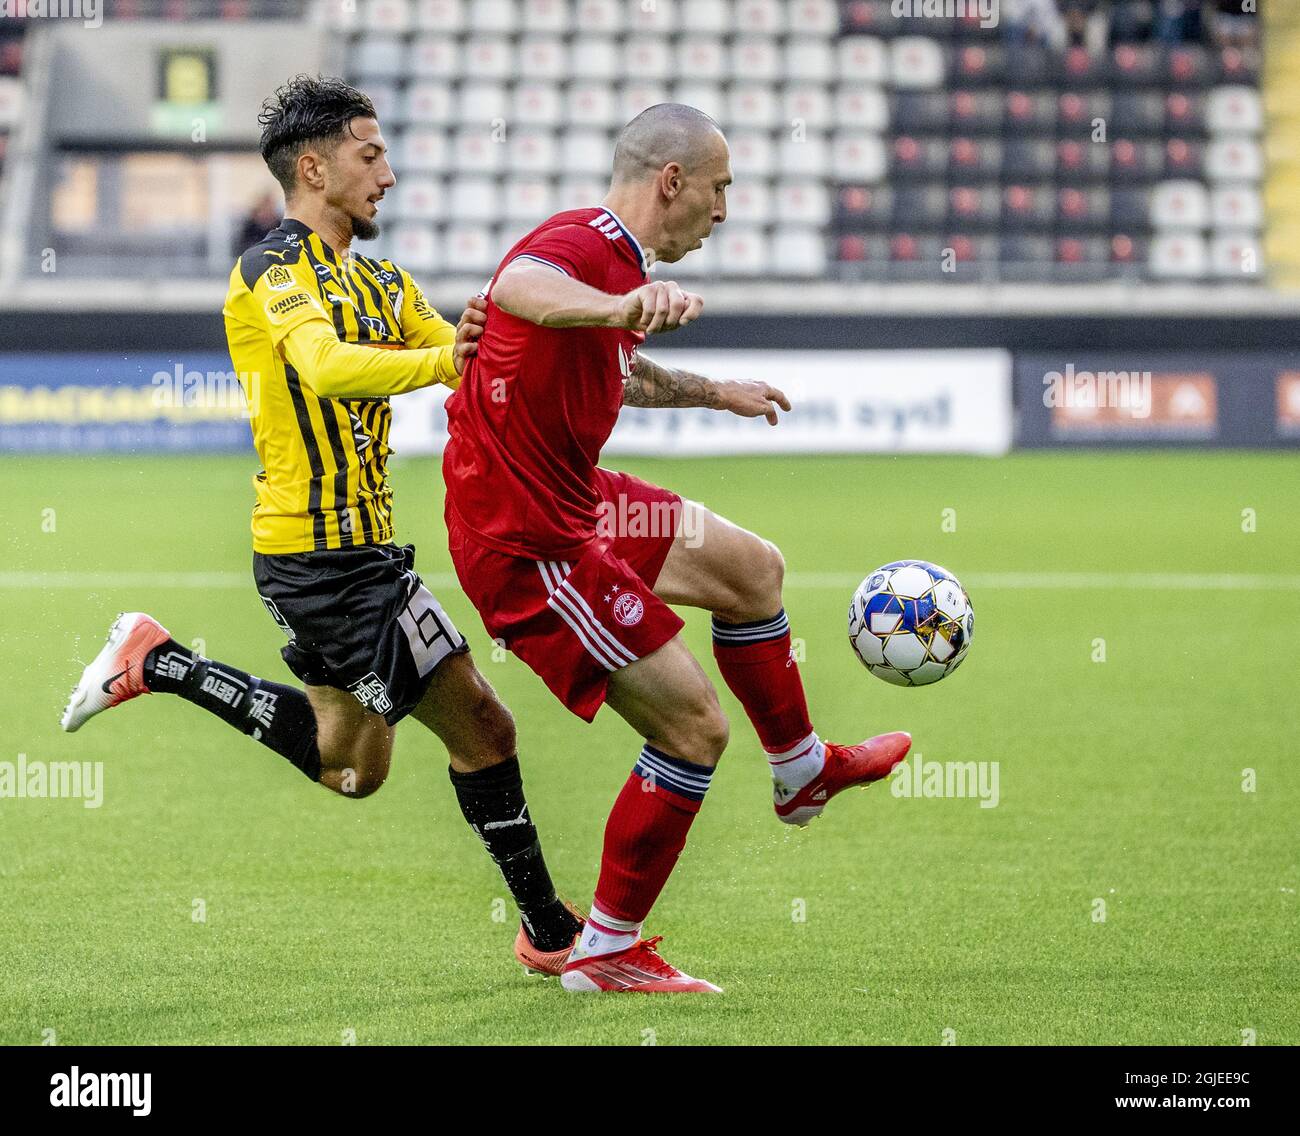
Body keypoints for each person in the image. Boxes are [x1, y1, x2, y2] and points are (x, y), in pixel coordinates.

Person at [60, 75, 582, 977]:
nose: (388, 172)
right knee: (486, 731)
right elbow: (328, 365)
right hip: (320, 562)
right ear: (314, 167)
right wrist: (437, 360)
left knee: (351, 768)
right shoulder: (271, 271)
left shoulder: (382, 277)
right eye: (369, 153)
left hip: (358, 557)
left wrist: (597, 341)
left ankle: (158, 660)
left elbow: (471, 352)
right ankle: (554, 935)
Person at [446, 104, 911, 994]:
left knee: (753, 569)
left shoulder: (620, 264)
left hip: (583, 500)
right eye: (720, 188)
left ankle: (802, 771)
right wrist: (623, 302)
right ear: (673, 182)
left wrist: (713, 392)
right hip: (530, 541)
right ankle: (607, 950)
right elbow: (517, 287)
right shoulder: (586, 246)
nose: (725, 210)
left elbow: (619, 365)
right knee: (695, 730)